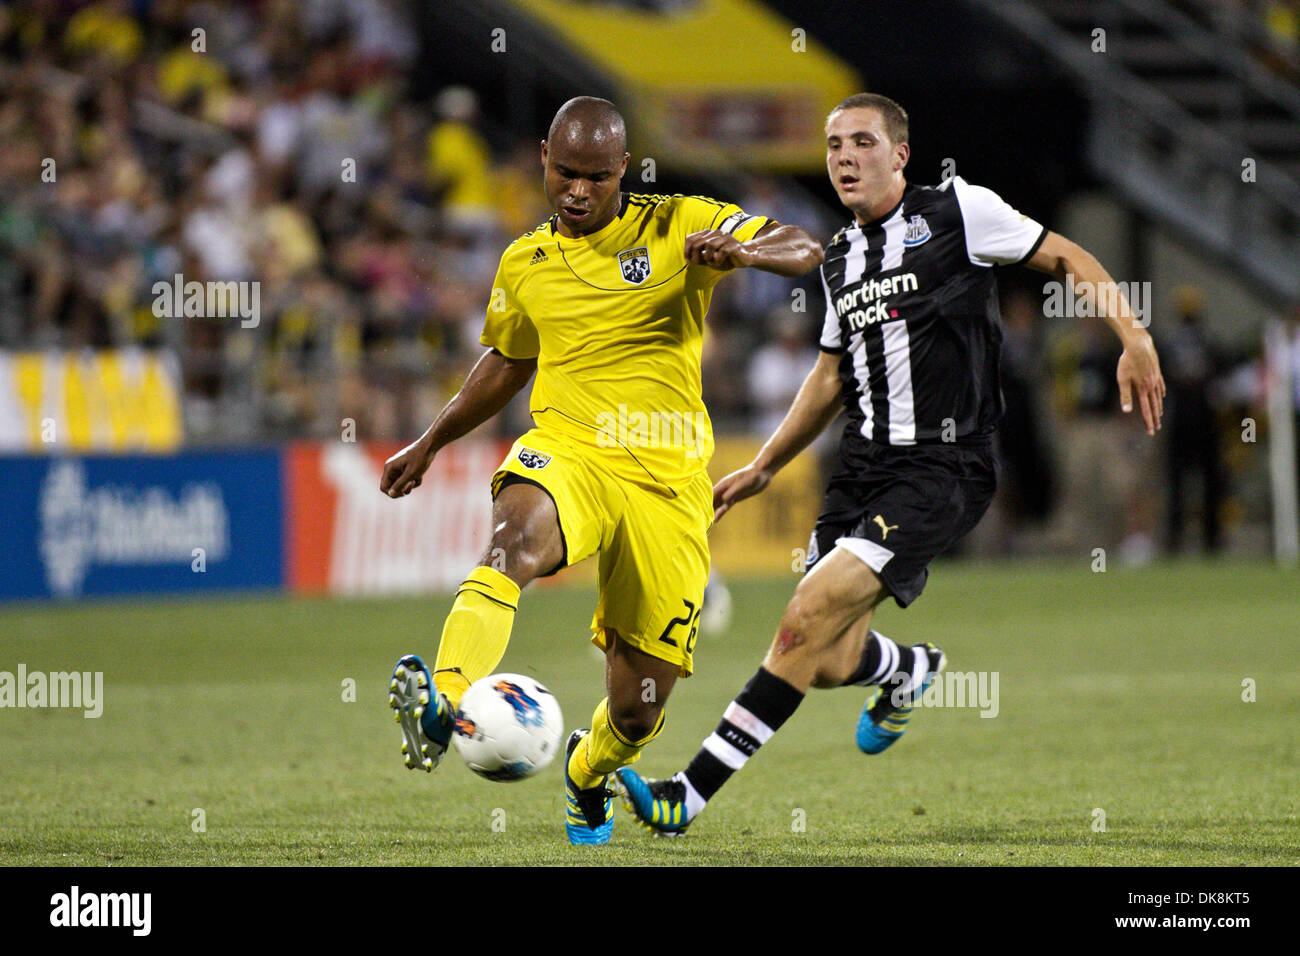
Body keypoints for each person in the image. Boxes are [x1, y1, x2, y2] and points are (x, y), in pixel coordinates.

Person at [616, 92, 1166, 835]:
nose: (844, 156)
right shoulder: (839, 256)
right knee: (831, 657)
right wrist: (769, 466)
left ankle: (689, 791)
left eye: (862, 142)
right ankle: (908, 671)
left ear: (900, 154)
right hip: (860, 469)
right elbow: (829, 378)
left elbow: (1064, 253)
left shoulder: (959, 211)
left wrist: (1134, 336)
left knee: (801, 619)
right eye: (834, 144)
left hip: (943, 467)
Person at [379, 96, 823, 844]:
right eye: (563, 173)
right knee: (512, 544)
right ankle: (444, 705)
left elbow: (805, 244)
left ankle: (587, 772)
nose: (577, 191)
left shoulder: (681, 222)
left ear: (623, 168)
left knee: (638, 705)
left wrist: (747, 253)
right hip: (572, 450)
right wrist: (430, 441)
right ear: (542, 157)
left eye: (594, 177)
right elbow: (509, 360)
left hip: (668, 483)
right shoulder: (525, 262)